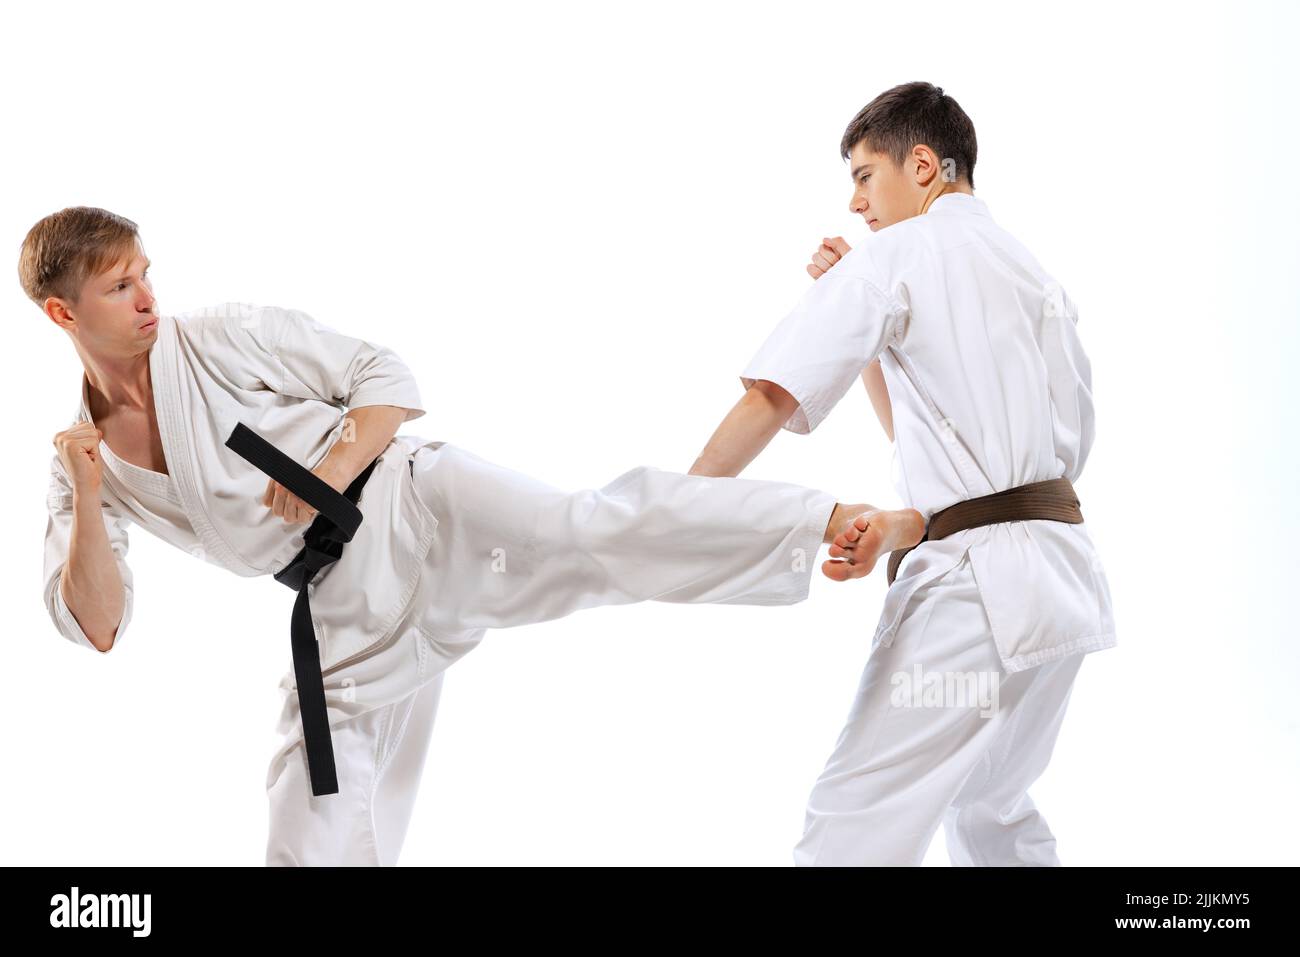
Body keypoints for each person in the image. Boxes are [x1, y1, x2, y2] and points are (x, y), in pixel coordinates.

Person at [25, 205, 924, 866]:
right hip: (343, 615)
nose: (148, 297)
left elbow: (385, 375)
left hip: (420, 504)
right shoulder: (79, 463)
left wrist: (332, 468)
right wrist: (94, 492)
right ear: (64, 314)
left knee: (595, 531)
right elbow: (96, 624)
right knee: (310, 817)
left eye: (146, 271)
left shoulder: (217, 338)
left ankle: (819, 521)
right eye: (119, 286)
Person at [688, 81, 1116, 866]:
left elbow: (773, 393)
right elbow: (945, 444)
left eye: (862, 173)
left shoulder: (898, 254)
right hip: (1062, 583)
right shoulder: (1028, 270)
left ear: (922, 164)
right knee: (991, 808)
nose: (855, 202)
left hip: (977, 592)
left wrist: (679, 506)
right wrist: (868, 313)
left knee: (854, 817)